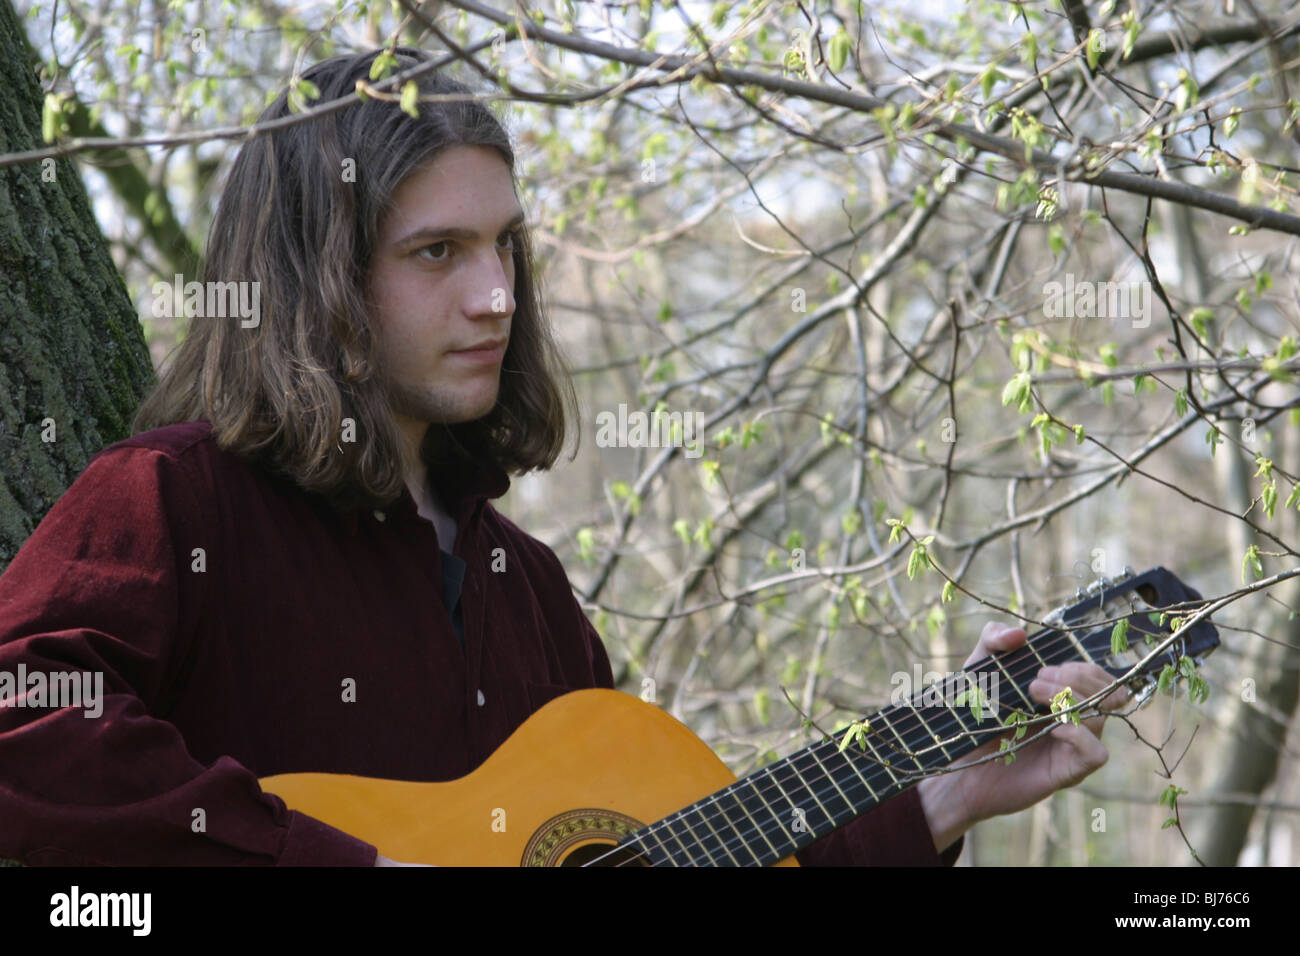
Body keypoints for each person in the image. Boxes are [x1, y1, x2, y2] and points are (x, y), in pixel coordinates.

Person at [0, 48, 1125, 866]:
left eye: (505, 247)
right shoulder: (169, 501)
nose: (496, 295)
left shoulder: (524, 589)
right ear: (315, 278)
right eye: (437, 251)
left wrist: (935, 797)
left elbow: (675, 841)